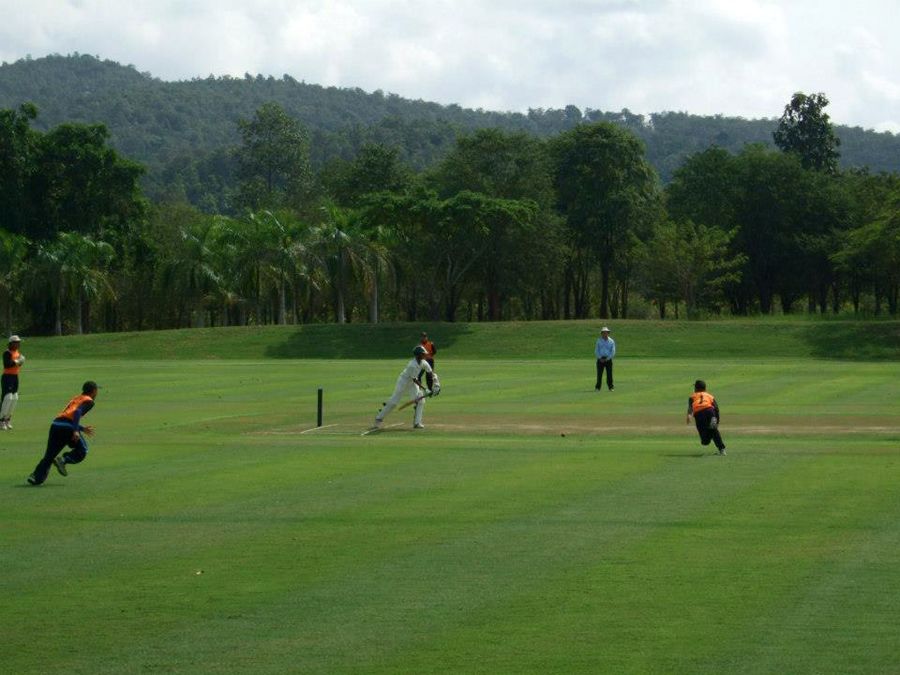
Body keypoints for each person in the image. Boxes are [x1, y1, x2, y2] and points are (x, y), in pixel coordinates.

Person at [27, 381, 100, 485]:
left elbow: (66, 417)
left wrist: (81, 428)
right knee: (82, 450)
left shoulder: (76, 398)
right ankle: (63, 460)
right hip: (68, 428)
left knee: (50, 454)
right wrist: (75, 430)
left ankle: (35, 477)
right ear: (94, 391)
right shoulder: (89, 401)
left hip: (56, 425)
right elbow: (77, 412)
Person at [373, 346, 440, 430]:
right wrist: (425, 389)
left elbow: (430, 373)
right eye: (423, 354)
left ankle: (417, 423)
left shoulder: (423, 362)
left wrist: (437, 384)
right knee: (393, 403)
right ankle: (378, 418)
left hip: (412, 383)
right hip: (403, 382)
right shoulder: (412, 365)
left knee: (420, 401)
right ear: (418, 355)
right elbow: (414, 379)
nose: (425, 355)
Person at [686, 379, 726, 455]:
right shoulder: (709, 396)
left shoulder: (692, 396)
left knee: (705, 442)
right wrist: (716, 420)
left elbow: (690, 408)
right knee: (714, 430)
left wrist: (689, 415)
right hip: (710, 411)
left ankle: (712, 429)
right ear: (705, 388)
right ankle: (722, 449)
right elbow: (716, 408)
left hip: (699, 415)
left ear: (696, 388)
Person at [1, 334, 25, 430]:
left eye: (18, 343)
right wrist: (18, 361)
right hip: (7, 377)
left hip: (15, 377)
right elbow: (7, 365)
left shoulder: (17, 352)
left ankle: (7, 419)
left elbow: (17, 364)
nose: (18, 344)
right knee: (8, 398)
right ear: (11, 343)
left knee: (15, 397)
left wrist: (20, 361)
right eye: (16, 343)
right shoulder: (7, 353)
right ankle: (1, 420)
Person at [594, 327, 615, 391]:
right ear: (601, 333)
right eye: (603, 333)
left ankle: (610, 387)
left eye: (606, 332)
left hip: (608, 359)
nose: (604, 334)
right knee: (599, 374)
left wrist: (608, 358)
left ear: (608, 333)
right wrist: (600, 358)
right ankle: (598, 387)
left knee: (609, 374)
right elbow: (596, 350)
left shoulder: (611, 341)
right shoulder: (599, 341)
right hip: (600, 359)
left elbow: (613, 351)